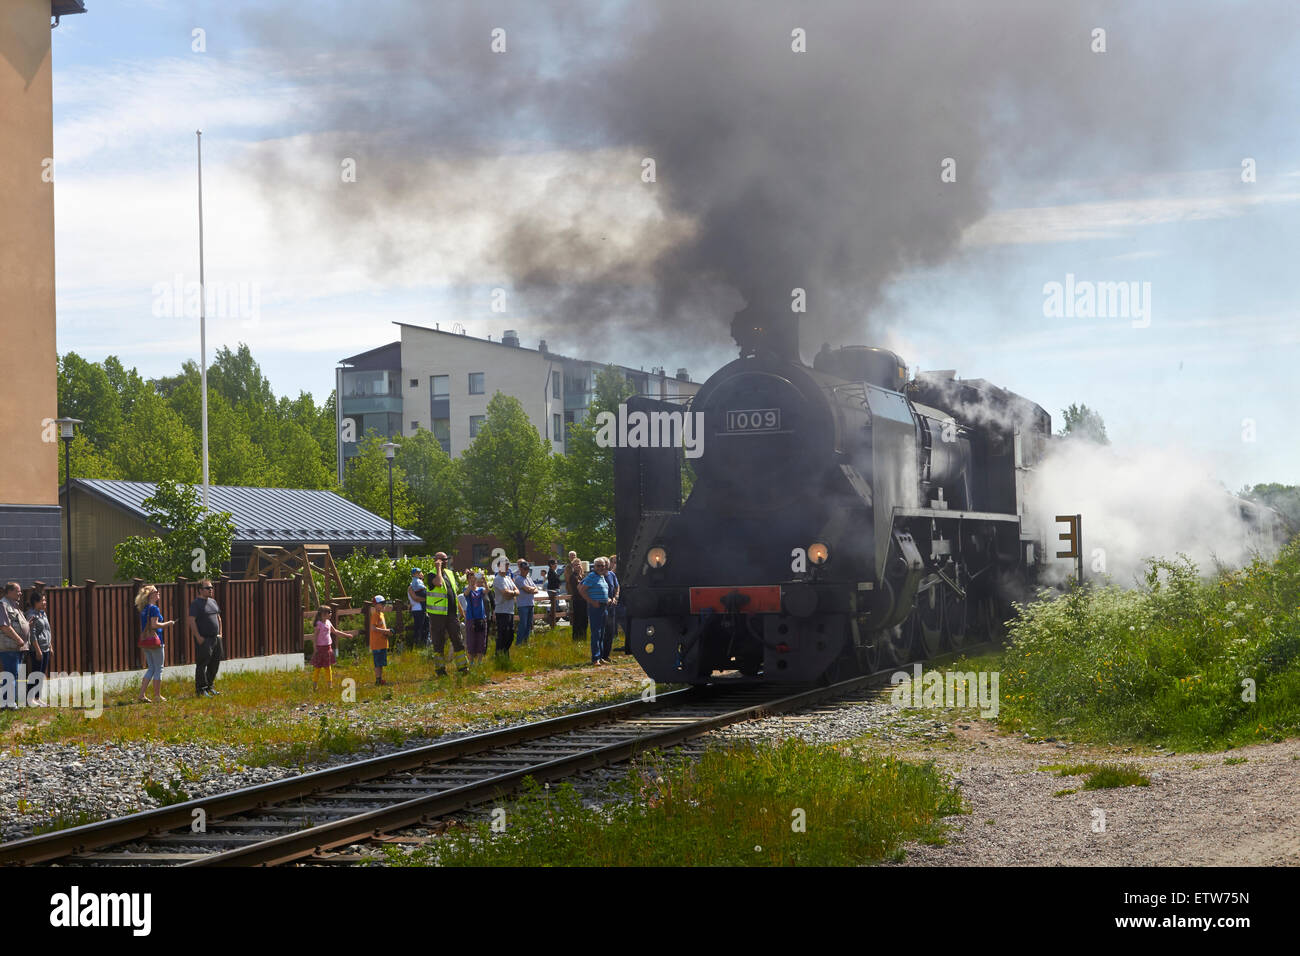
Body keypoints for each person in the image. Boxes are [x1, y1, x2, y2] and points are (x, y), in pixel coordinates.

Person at [426, 552, 467, 675]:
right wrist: (438, 568)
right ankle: (440, 670)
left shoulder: (449, 573)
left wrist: (461, 611)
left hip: (451, 614)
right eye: (442, 560)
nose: (445, 561)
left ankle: (463, 667)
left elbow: (453, 594)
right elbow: (438, 583)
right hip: (437, 615)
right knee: (438, 643)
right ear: (436, 560)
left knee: (457, 640)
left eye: (446, 559)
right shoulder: (431, 574)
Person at [135, 584, 174, 703]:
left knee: (151, 668)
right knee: (159, 668)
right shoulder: (154, 608)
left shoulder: (144, 608)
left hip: (145, 641)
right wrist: (169, 623)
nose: (158, 593)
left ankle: (142, 695)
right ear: (150, 595)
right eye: (156, 591)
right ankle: (157, 695)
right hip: (156, 641)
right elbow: (154, 625)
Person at [187, 578, 225, 698]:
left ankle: (210, 687)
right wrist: (198, 637)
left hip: (216, 638)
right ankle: (201, 689)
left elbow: (218, 618)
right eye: (207, 588)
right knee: (202, 664)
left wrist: (220, 634)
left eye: (211, 588)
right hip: (204, 639)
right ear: (200, 590)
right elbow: (191, 621)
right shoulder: (196, 604)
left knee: (215, 663)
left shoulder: (213, 602)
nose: (210, 590)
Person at [0, 583, 31, 710]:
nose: (20, 593)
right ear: (9, 592)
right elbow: (4, 627)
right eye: (18, 591)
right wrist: (19, 639)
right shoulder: (3, 605)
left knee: (13, 674)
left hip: (17, 647)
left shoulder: (14, 605)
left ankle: (7, 702)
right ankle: (8, 702)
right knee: (10, 674)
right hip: (9, 647)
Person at [310, 605, 354, 690]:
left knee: (328, 668)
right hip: (320, 648)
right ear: (323, 614)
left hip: (328, 648)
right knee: (317, 669)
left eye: (331, 612)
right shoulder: (319, 624)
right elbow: (315, 636)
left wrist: (346, 635)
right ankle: (314, 686)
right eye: (329, 612)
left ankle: (329, 685)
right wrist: (314, 647)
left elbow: (335, 631)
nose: (331, 613)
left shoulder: (328, 622)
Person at [578, 557, 611, 665]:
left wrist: (608, 599)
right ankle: (595, 658)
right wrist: (592, 602)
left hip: (604, 607)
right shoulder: (592, 576)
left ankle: (600, 656)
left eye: (602, 565)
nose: (601, 567)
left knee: (602, 633)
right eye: (598, 566)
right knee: (596, 632)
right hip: (595, 608)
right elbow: (582, 590)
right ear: (594, 567)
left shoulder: (602, 576)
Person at [25, 589, 52, 705]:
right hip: (37, 649)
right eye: (43, 601)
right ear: (36, 602)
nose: (45, 603)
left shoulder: (43, 613)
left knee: (41, 674)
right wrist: (37, 650)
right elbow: (32, 634)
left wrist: (50, 645)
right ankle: (30, 699)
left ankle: (37, 698)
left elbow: (47, 630)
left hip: (45, 648)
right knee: (35, 674)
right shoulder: (31, 615)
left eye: (45, 600)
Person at [492, 563, 518, 657]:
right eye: (504, 565)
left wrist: (512, 593)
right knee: (503, 634)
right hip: (501, 611)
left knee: (510, 635)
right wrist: (513, 594)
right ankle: (499, 655)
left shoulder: (508, 578)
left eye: (507, 565)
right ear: (499, 567)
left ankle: (505, 653)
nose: (506, 567)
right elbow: (504, 593)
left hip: (510, 610)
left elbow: (516, 591)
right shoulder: (498, 579)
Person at [463, 573, 489, 663]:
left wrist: (484, 581)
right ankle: (471, 662)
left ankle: (479, 662)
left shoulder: (480, 589)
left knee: (481, 640)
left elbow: (487, 591)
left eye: (474, 578)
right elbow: (465, 594)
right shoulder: (467, 589)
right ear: (468, 580)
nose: (473, 580)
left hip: (481, 618)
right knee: (471, 640)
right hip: (471, 619)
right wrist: (470, 584)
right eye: (470, 578)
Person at [513, 559, 538, 647]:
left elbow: (536, 590)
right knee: (523, 624)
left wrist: (530, 589)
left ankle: (525, 642)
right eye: (525, 569)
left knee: (528, 625)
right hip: (523, 605)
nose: (526, 571)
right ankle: (519, 643)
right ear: (521, 569)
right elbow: (527, 590)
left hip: (530, 604)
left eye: (527, 569)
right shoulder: (518, 578)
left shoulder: (528, 578)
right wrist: (531, 589)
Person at [369, 595, 394, 686]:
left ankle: (380, 679)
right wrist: (386, 631)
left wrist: (387, 633)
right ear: (376, 605)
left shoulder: (382, 614)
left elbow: (381, 628)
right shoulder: (375, 615)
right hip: (377, 643)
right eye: (382, 603)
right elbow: (373, 628)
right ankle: (378, 680)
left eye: (384, 603)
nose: (384, 605)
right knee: (378, 663)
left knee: (381, 663)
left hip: (382, 642)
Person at [566, 553, 587, 644]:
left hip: (585, 601)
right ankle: (576, 639)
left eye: (579, 564)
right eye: (575, 565)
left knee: (584, 620)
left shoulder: (583, 576)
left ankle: (583, 638)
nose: (577, 566)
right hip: (577, 600)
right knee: (577, 620)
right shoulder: (573, 577)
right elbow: (578, 588)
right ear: (573, 567)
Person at [604, 556, 622, 653]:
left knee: (611, 629)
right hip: (602, 605)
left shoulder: (612, 575)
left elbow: (617, 586)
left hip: (612, 605)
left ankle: (607, 653)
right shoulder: (597, 575)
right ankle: (599, 655)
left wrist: (616, 597)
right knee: (603, 630)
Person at [408, 568, 429, 648]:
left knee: (425, 628)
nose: (421, 575)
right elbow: (415, 598)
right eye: (419, 574)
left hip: (422, 609)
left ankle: (423, 645)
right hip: (417, 610)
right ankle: (417, 645)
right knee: (418, 628)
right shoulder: (411, 586)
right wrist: (427, 598)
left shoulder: (420, 585)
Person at [545, 558, 562, 628]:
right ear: (551, 565)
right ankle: (552, 621)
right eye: (555, 563)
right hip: (553, 590)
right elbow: (553, 582)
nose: (556, 565)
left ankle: (554, 621)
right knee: (555, 606)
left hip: (556, 590)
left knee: (556, 606)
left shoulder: (554, 571)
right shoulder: (550, 572)